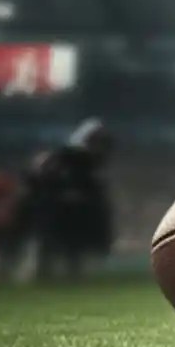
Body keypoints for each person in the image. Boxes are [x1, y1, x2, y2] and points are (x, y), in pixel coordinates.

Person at [24, 119, 115, 281]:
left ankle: (63, 273)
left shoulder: (80, 161)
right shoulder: (67, 159)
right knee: (55, 244)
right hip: (58, 210)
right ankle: (44, 273)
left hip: (71, 211)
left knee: (71, 246)